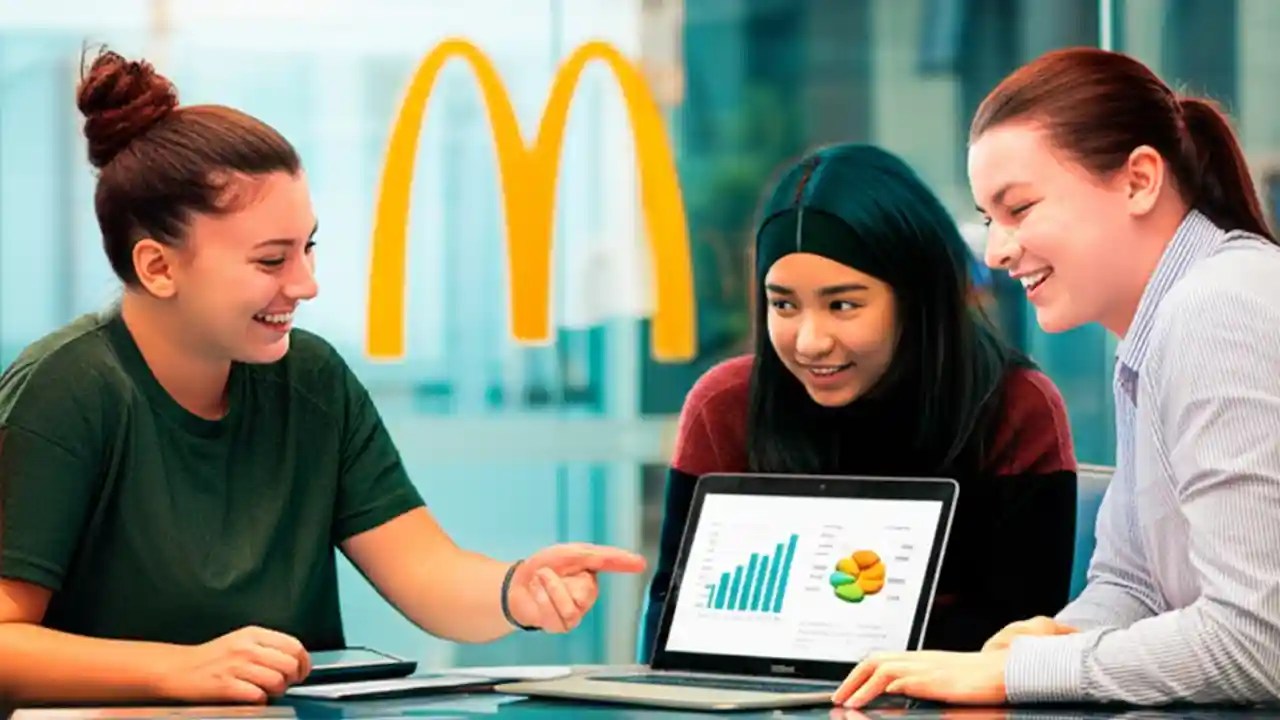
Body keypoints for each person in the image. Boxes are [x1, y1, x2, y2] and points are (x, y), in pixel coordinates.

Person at [0, 49, 646, 706]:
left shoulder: (312, 379)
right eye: (270, 259)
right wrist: (175, 670)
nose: (306, 284)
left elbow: (428, 573)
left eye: (307, 247)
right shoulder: (66, 389)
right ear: (158, 267)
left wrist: (517, 590)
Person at [833, 46, 1280, 709]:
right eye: (990, 219)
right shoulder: (1158, 329)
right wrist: (1055, 636)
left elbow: (1257, 643)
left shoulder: (1217, 307)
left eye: (1020, 209)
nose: (996, 250)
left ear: (1138, 180)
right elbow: (1135, 585)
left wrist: (1023, 672)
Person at [638, 143, 1078, 661]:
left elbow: (1020, 643)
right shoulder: (725, 405)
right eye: (783, 304)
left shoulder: (1015, 407)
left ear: (916, 298)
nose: (809, 342)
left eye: (842, 305)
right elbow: (669, 629)